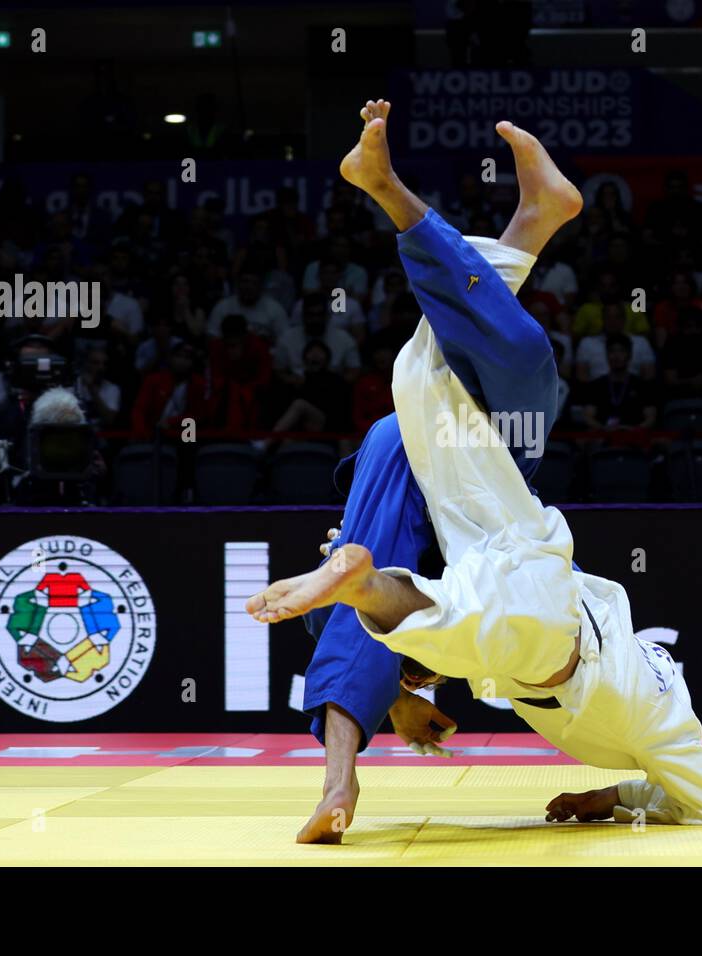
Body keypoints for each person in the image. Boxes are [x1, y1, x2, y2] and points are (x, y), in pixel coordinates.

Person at [246, 122, 702, 829]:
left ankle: (340, 772)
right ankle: (457, 205)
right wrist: (617, 798)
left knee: (440, 380)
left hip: (516, 554)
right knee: (477, 371)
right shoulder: (665, 731)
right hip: (527, 594)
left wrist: (613, 798)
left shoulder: (666, 718)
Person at [248, 99, 583, 844]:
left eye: (413, 689)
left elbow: (368, 627)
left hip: (431, 454)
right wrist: (407, 693)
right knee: (520, 357)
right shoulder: (419, 608)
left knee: (510, 358)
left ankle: (468, 206)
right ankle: (529, 222)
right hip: (484, 478)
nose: (420, 697)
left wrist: (401, 694)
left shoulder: (371, 569)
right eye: (415, 688)